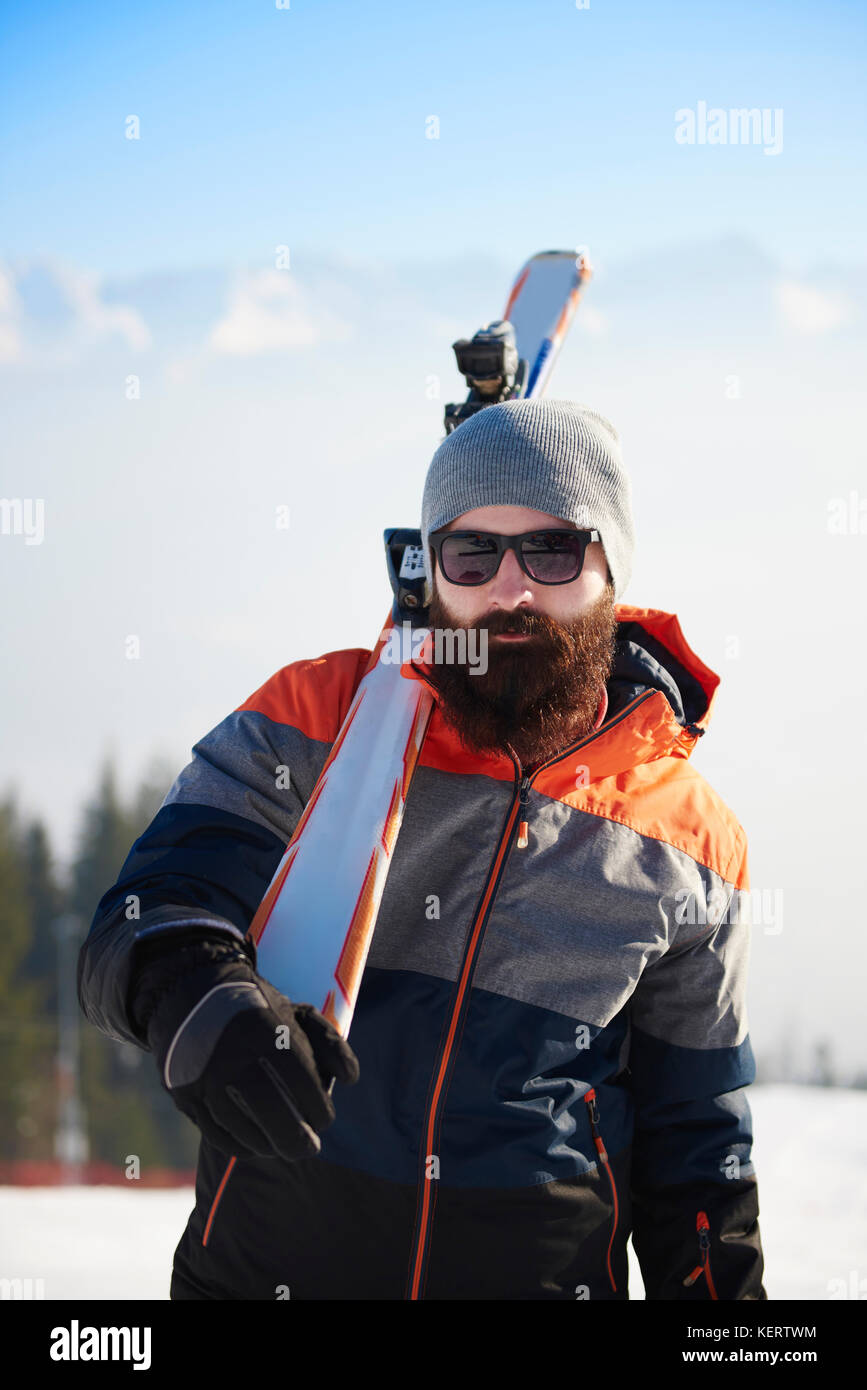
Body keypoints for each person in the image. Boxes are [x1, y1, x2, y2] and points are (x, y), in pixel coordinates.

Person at [78, 399, 767, 1301]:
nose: (509, 589)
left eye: (552, 550)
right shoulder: (316, 726)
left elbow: (696, 1147)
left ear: (612, 570)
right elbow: (147, 911)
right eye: (471, 553)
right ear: (430, 572)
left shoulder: (687, 837)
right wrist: (196, 994)